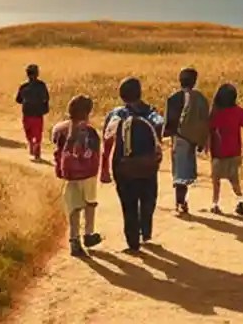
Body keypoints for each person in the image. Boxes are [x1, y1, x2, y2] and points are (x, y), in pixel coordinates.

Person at [101, 77, 165, 254]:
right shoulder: (152, 114)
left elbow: (107, 140)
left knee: (128, 204)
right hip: (147, 166)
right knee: (148, 199)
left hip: (123, 166)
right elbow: (161, 127)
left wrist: (104, 166)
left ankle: (133, 241)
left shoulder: (116, 115)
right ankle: (146, 230)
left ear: (121, 95)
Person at [52, 95, 104, 257]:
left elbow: (56, 147)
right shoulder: (90, 131)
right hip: (88, 174)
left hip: (70, 175)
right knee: (90, 203)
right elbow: (96, 151)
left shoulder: (60, 129)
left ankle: (74, 239)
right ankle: (89, 233)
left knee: (74, 207)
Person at [164, 67, 210, 216]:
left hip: (179, 138)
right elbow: (204, 121)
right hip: (193, 139)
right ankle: (182, 202)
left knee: (180, 172)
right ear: (195, 81)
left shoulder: (174, 97)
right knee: (186, 171)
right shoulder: (201, 98)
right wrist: (202, 141)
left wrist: (167, 135)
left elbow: (169, 121)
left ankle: (180, 203)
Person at [208, 82, 243, 216]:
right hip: (234, 151)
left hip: (218, 151)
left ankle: (215, 203)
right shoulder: (240, 112)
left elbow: (209, 130)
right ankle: (241, 199)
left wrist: (205, 145)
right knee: (234, 180)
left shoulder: (215, 112)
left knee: (216, 180)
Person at [15, 64, 51, 162]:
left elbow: (18, 100)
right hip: (38, 114)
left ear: (27, 74)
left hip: (27, 113)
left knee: (28, 132)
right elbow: (46, 98)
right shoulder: (41, 85)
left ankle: (31, 145)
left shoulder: (23, 86)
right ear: (37, 74)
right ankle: (37, 152)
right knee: (38, 133)